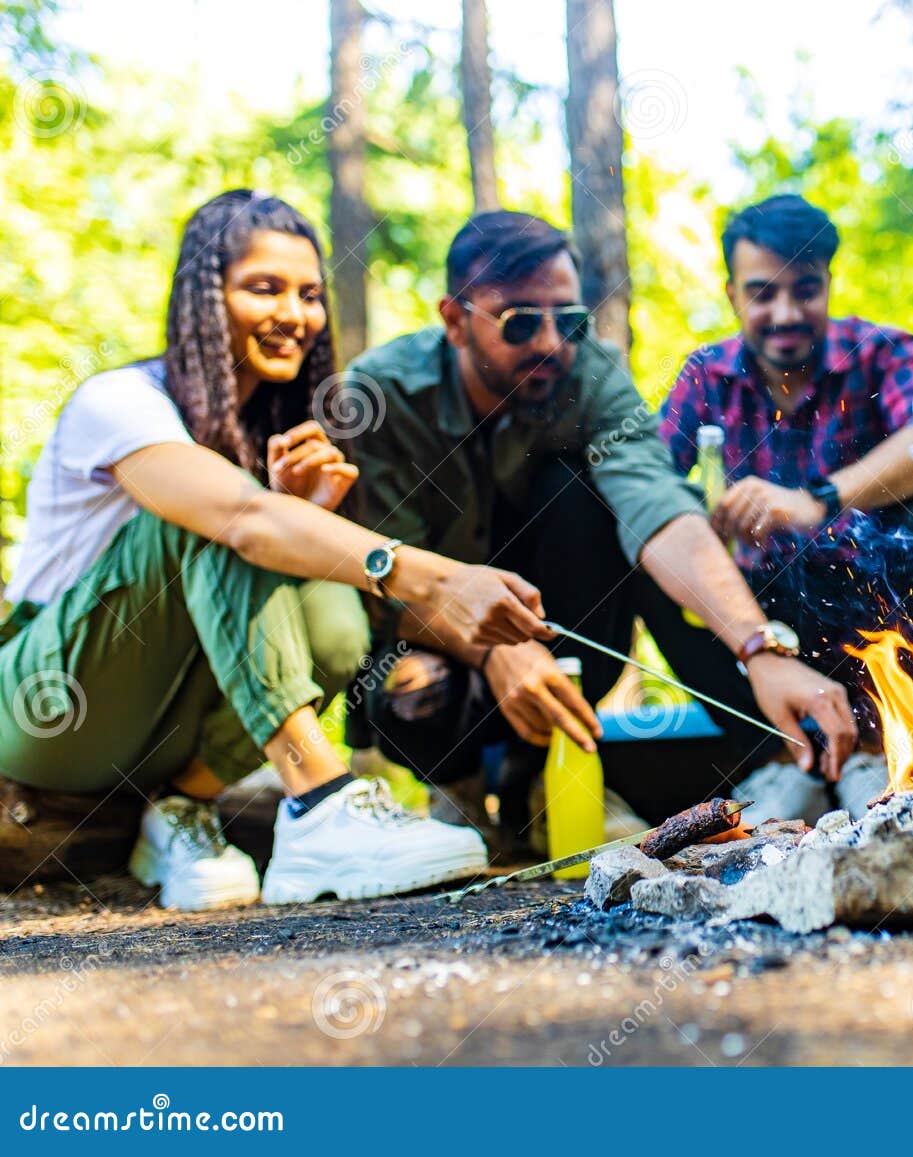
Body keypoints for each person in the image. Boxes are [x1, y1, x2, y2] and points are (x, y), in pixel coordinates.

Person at [0, 190, 543, 910]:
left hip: (157, 735)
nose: (294, 313)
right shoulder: (120, 400)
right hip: (49, 706)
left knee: (336, 606)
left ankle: (180, 811)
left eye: (310, 294)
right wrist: (436, 577)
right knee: (224, 522)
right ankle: (320, 801)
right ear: (205, 297)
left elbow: (272, 544)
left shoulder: (274, 433)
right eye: (264, 288)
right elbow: (239, 516)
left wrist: (299, 521)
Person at [341, 211, 856, 847]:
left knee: (583, 490)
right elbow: (384, 579)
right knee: (409, 684)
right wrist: (496, 647)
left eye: (570, 320)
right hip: (437, 645)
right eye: (521, 322)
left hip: (563, 635)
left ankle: (547, 784)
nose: (553, 343)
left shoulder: (589, 374)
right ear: (455, 319)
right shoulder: (381, 393)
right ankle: (461, 791)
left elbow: (659, 509)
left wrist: (760, 650)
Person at [657, 194, 913, 816]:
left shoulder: (883, 350)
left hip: (867, 593)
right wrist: (703, 514)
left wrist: (815, 500)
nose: (785, 312)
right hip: (757, 610)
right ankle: (777, 758)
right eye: (761, 293)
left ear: (831, 282)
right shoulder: (704, 374)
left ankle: (878, 746)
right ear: (730, 294)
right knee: (653, 544)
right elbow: (647, 484)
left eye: (805, 289)